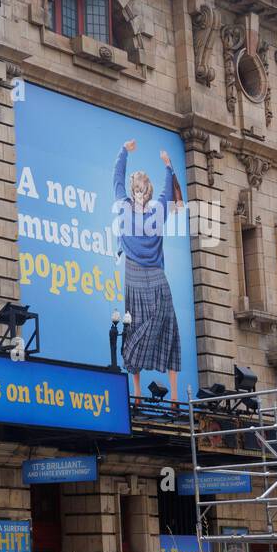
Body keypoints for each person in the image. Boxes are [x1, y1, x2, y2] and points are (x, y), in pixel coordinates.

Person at [114, 141, 182, 402]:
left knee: (168, 324)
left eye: (142, 189)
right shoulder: (124, 207)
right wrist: (123, 152)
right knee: (135, 325)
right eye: (135, 189)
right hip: (134, 273)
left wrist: (168, 166)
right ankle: (138, 391)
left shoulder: (157, 211)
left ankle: (175, 396)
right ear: (132, 191)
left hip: (154, 273)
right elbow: (117, 179)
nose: (138, 192)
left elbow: (168, 192)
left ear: (147, 191)